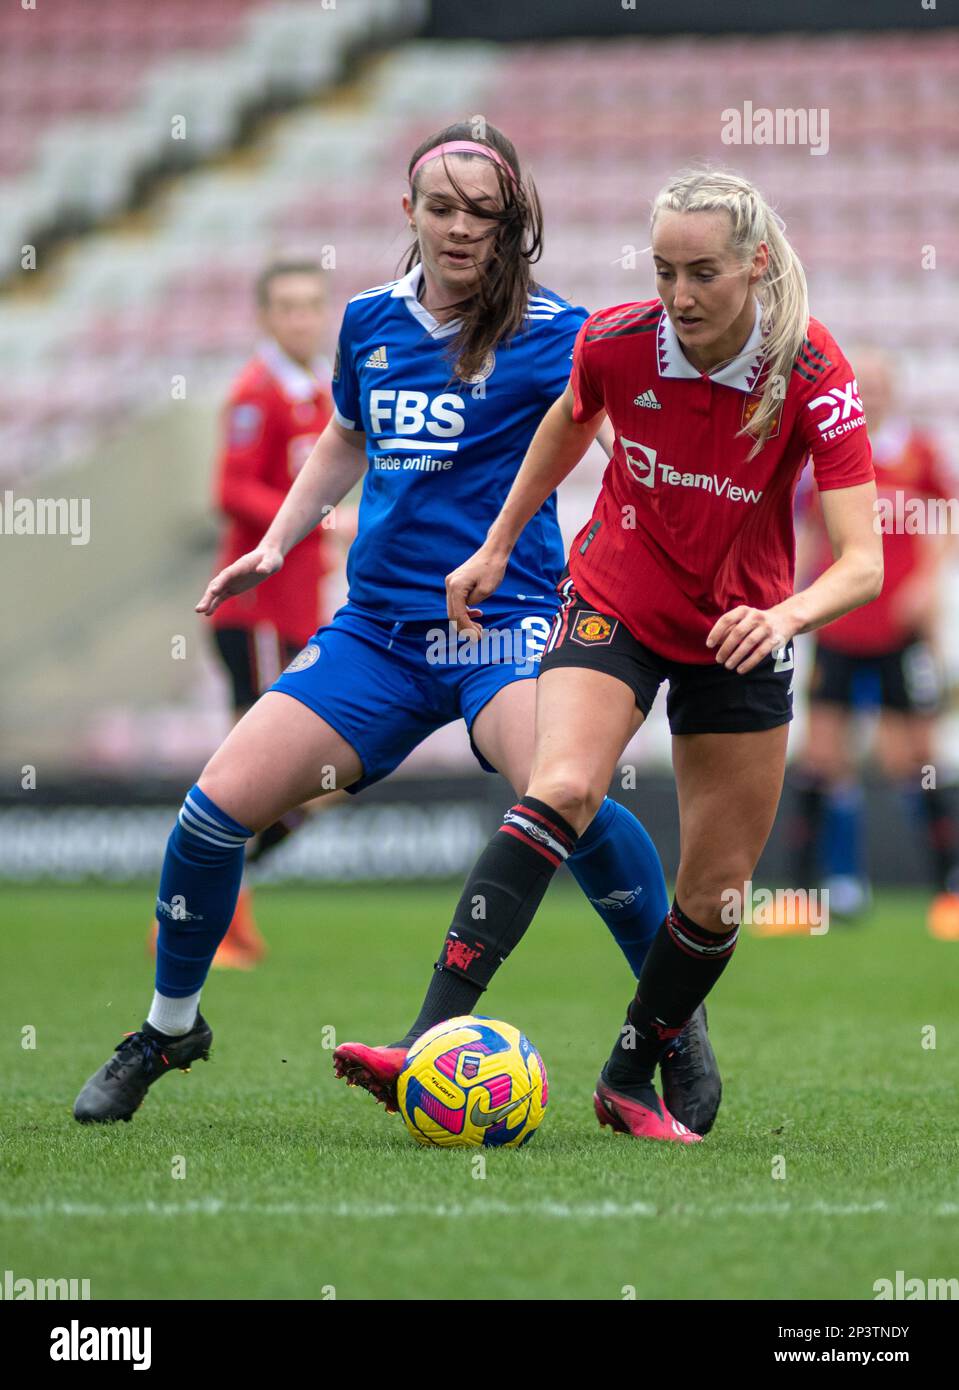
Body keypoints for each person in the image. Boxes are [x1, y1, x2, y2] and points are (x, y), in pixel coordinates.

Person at [73, 124, 717, 1130]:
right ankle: (168, 1028)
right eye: (441, 207)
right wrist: (281, 539)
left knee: (567, 793)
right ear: (406, 212)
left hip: (501, 632)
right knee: (210, 814)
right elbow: (343, 433)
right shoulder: (368, 320)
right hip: (376, 636)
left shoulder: (563, 331)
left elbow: (652, 429)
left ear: (510, 224)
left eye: (481, 212)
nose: (459, 227)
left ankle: (668, 1026)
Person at [337, 167, 882, 1143]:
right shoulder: (619, 340)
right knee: (560, 785)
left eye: (702, 272)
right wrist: (497, 542)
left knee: (715, 892)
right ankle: (423, 1040)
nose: (678, 295)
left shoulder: (809, 372)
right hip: (615, 599)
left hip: (740, 629)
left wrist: (785, 616)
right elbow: (568, 418)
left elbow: (862, 563)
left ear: (754, 264)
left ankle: (630, 1072)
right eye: (664, 269)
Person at [149, 258, 338, 970]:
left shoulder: (319, 394)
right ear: (265, 317)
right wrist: (317, 522)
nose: (302, 318)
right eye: (287, 306)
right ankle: (207, 916)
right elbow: (230, 491)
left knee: (319, 785)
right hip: (254, 611)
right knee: (259, 777)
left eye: (312, 304)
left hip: (298, 613)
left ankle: (205, 898)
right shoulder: (257, 394)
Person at [788, 347, 959, 935]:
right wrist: (792, 599)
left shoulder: (920, 455)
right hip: (840, 625)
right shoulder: (831, 451)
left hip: (898, 632)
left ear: (896, 391)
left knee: (912, 758)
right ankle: (811, 892)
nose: (874, 395)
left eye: (882, 385)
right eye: (865, 385)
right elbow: (811, 533)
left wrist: (928, 583)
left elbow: (948, 518)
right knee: (822, 756)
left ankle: (948, 890)